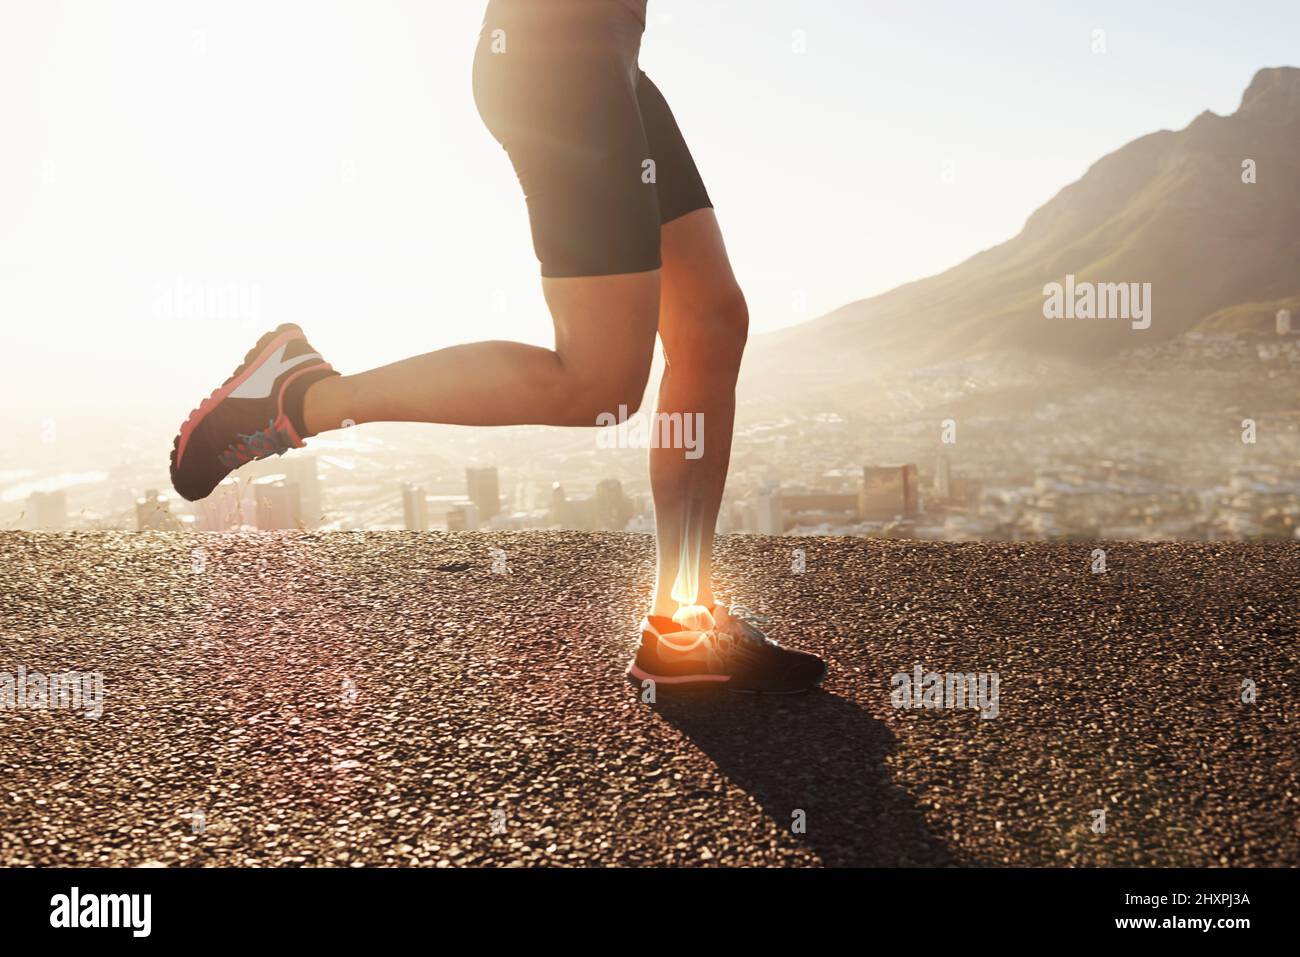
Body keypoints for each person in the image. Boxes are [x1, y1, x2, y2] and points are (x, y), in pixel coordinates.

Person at [169, 0, 825, 694]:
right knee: (601, 383)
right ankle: (299, 398)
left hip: (611, 60)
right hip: (558, 56)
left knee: (710, 324)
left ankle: (680, 624)